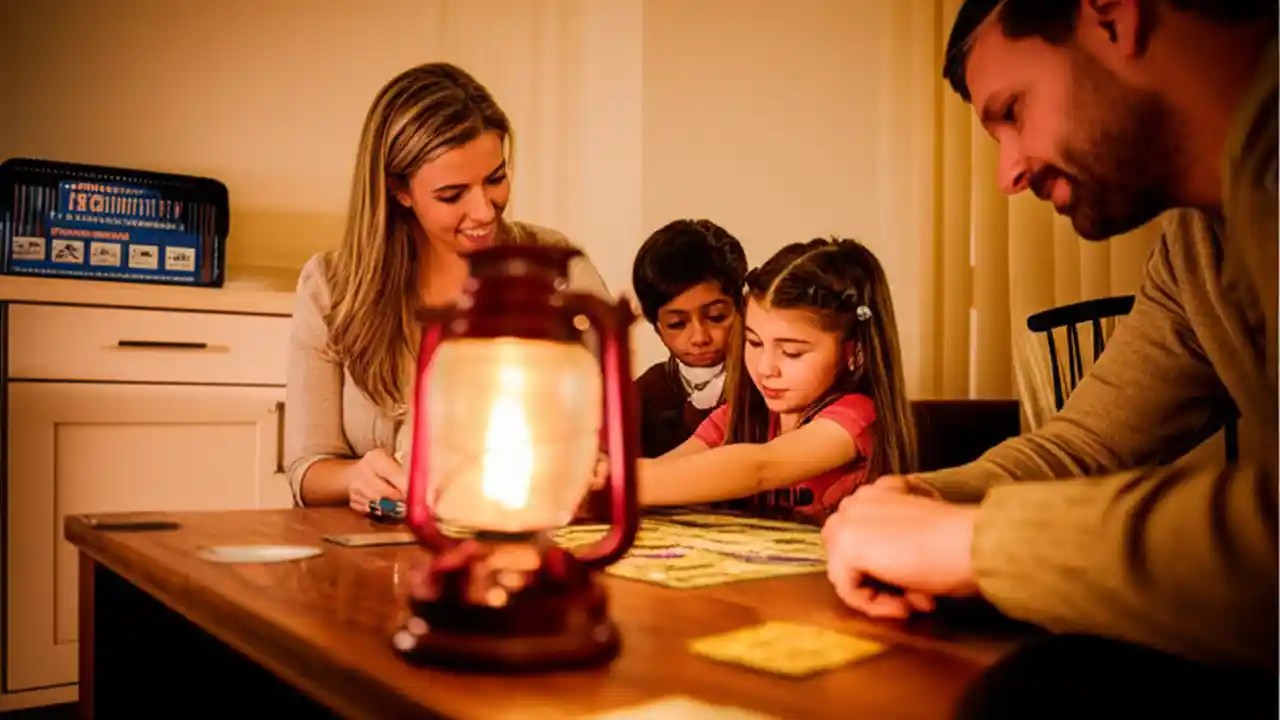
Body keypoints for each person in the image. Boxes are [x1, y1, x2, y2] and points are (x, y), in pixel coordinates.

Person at [821, 0, 1276, 714]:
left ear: (1110, 15)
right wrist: (925, 498)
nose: (1008, 174)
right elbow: (1086, 442)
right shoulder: (1197, 245)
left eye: (1012, 111)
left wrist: (979, 544)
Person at [283, 62, 608, 515]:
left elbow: (606, 442)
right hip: (375, 560)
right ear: (399, 190)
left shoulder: (557, 268)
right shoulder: (331, 288)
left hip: (519, 540)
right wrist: (354, 478)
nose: (483, 211)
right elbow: (306, 467)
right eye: (453, 195)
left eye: (495, 179)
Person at [637, 237, 917, 525]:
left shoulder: (856, 416)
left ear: (854, 350)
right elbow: (667, 469)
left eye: (792, 352)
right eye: (754, 343)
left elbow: (760, 467)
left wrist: (623, 486)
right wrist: (605, 479)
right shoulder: (745, 413)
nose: (766, 368)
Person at [631, 219, 749, 458]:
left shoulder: (766, 387)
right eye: (677, 324)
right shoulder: (643, 396)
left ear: (742, 306)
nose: (700, 337)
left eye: (717, 317)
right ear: (655, 324)